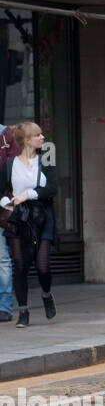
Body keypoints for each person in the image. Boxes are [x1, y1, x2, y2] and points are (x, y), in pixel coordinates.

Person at [1, 122, 58, 327]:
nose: (42, 138)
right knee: (20, 265)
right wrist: (6, 204)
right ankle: (23, 312)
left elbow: (52, 189)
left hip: (42, 216)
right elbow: (2, 190)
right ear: (26, 140)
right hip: (19, 219)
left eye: (42, 135)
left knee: (42, 265)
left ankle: (46, 294)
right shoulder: (9, 164)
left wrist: (27, 194)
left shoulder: (46, 162)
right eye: (38, 135)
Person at [0, 123, 16, 321]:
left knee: (2, 257)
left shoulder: (5, 134)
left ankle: (4, 306)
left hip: (1, 205)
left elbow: (12, 169)